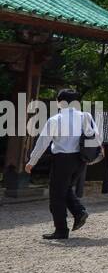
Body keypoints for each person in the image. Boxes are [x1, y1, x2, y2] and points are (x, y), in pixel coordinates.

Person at [25, 89, 99, 240]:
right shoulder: (86, 116)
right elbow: (95, 137)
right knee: (65, 189)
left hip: (63, 160)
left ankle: (61, 230)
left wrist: (32, 161)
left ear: (60, 102)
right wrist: (95, 156)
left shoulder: (55, 119)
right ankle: (79, 212)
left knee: (56, 196)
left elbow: (43, 142)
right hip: (81, 159)